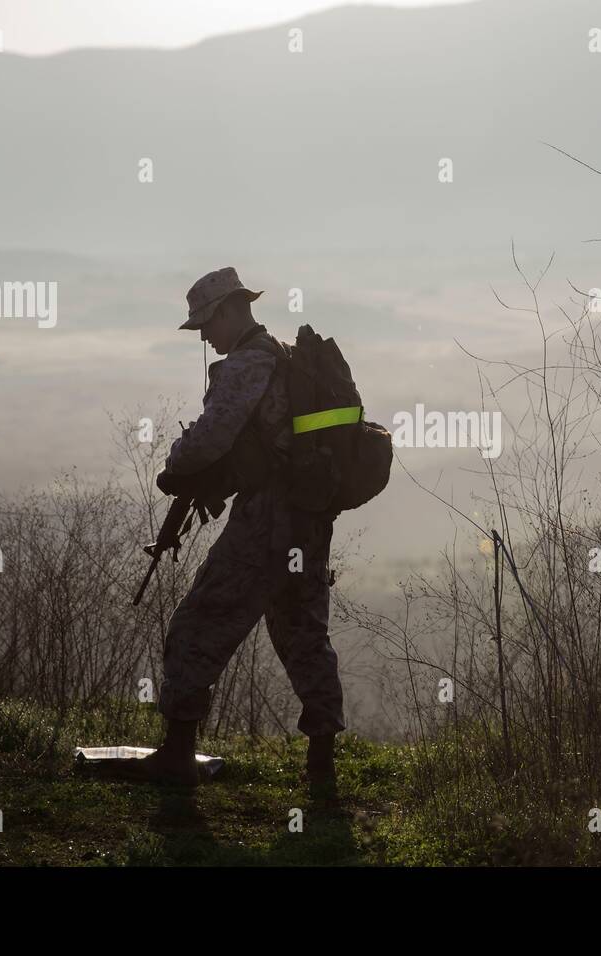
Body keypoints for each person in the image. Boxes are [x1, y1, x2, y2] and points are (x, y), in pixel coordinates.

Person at [133, 267, 344, 797]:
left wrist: (175, 465)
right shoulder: (281, 359)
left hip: (268, 520)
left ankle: (177, 755)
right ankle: (322, 767)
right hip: (307, 520)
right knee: (303, 636)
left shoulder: (247, 366)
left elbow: (209, 440)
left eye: (207, 323)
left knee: (195, 625)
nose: (204, 336)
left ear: (229, 309)